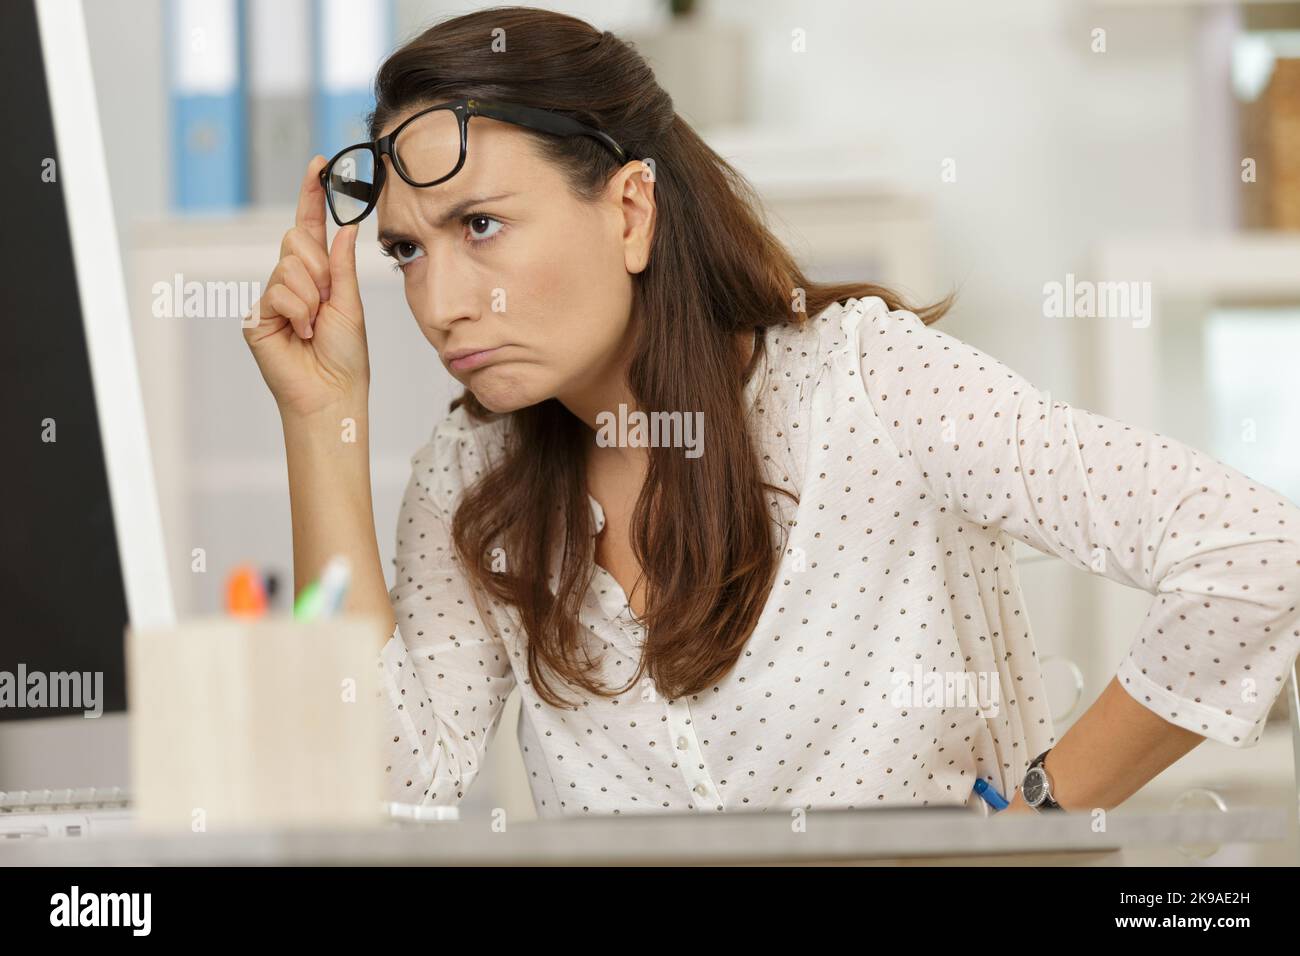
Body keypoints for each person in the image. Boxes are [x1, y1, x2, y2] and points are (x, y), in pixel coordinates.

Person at [244, 7, 1300, 818]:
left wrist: (1035, 817)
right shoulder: (470, 480)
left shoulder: (865, 388)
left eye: (480, 223)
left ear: (629, 209)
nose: (438, 302)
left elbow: (1252, 554)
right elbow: (382, 789)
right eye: (406, 249)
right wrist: (321, 419)